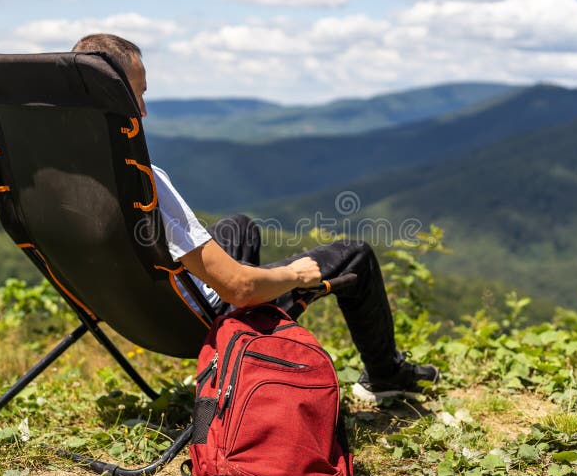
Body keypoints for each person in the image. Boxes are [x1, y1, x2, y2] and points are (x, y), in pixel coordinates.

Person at [72, 33, 439, 403]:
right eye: (139, 94)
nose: (144, 110)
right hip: (187, 321)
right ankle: (386, 375)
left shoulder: (61, 176)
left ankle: (253, 345)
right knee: (356, 253)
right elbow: (238, 288)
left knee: (239, 226)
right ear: (112, 96)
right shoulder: (140, 181)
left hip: (130, 313)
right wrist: (295, 275)